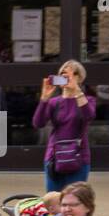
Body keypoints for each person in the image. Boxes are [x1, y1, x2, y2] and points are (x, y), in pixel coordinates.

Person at [33, 60, 96, 193]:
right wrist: (44, 98)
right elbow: (38, 123)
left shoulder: (87, 100)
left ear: (79, 78)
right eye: (62, 74)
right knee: (53, 200)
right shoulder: (54, 102)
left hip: (79, 157)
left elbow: (88, 116)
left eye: (70, 74)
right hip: (55, 157)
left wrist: (77, 91)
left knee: (76, 197)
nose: (65, 77)